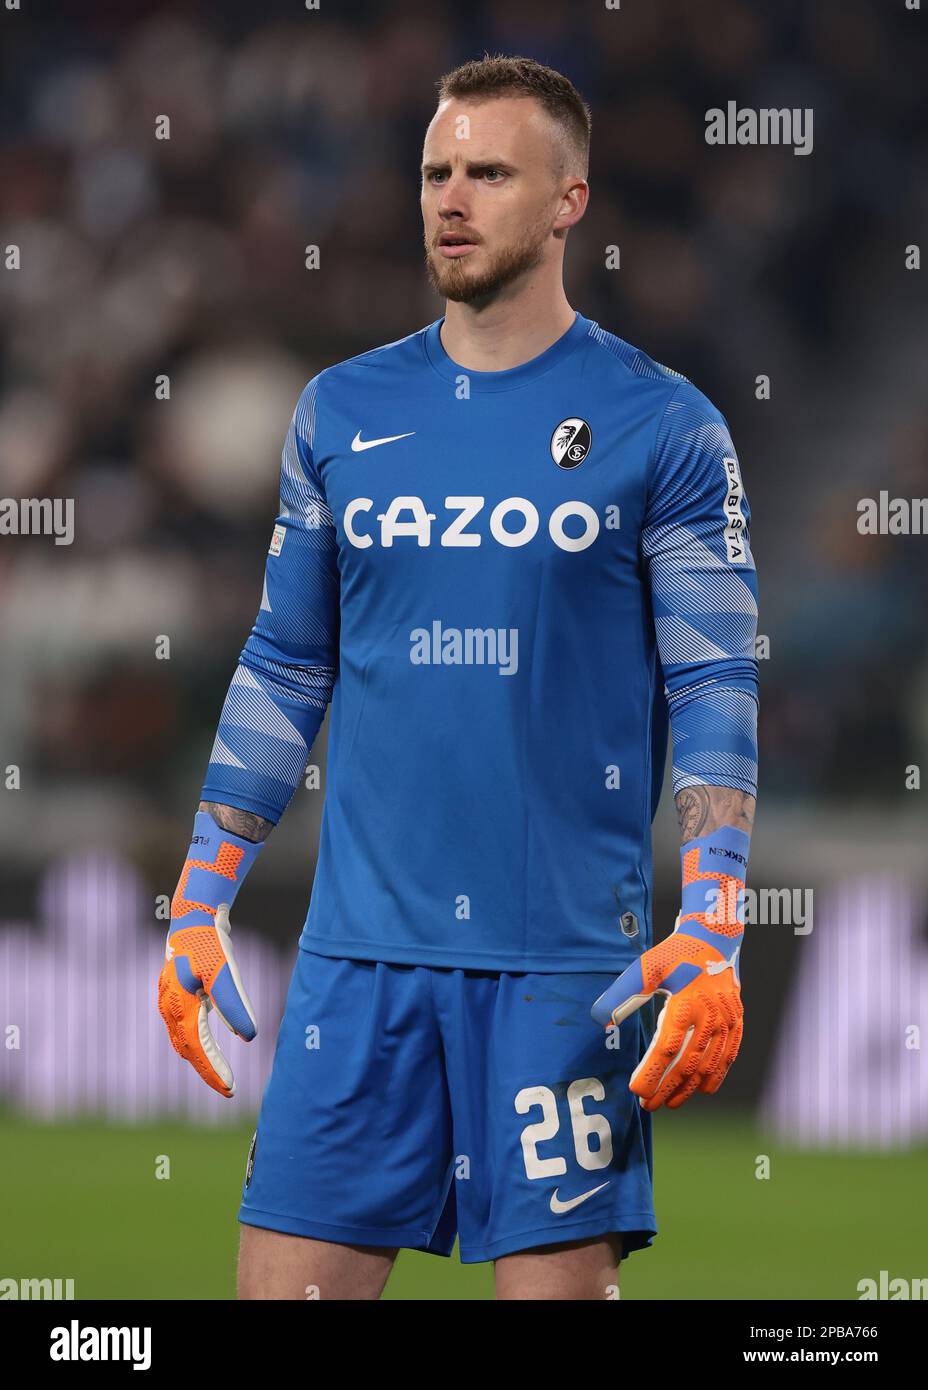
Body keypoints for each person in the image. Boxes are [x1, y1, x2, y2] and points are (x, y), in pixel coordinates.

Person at [158, 54, 758, 1301]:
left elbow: (713, 685)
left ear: (566, 201)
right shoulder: (340, 410)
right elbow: (285, 660)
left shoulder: (667, 427)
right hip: (355, 963)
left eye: (490, 172)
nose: (452, 196)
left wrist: (712, 915)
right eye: (437, 170)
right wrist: (202, 889)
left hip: (561, 975)